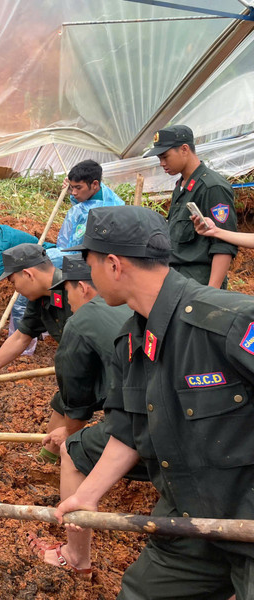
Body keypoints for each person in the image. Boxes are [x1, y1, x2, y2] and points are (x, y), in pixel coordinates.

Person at [56, 204, 254, 599]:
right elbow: (131, 429)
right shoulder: (131, 342)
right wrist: (88, 494)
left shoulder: (228, 321)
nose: (87, 277)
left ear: (113, 265)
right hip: (192, 524)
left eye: (90, 263)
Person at [26, 255, 139, 577]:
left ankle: (75, 557)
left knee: (74, 452)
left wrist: (69, 434)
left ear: (82, 287)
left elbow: (75, 402)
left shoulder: (81, 322)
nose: (66, 302)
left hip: (148, 420)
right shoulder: (130, 302)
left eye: (68, 292)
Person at [0, 243, 72, 454]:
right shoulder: (41, 297)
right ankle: (47, 464)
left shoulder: (77, 290)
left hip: (108, 366)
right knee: (62, 410)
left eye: (13, 280)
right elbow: (20, 338)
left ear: (27, 274)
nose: (14, 288)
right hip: (77, 371)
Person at [144, 124, 237, 287]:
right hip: (177, 281)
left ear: (184, 149)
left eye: (165, 156)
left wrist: (211, 292)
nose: (162, 163)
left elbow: (223, 246)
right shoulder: (181, 186)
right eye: (159, 159)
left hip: (198, 285)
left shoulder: (212, 187)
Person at [57, 159, 124, 250]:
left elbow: (73, 251)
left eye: (78, 187)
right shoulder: (102, 192)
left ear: (95, 184)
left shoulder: (102, 212)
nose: (74, 193)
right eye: (72, 187)